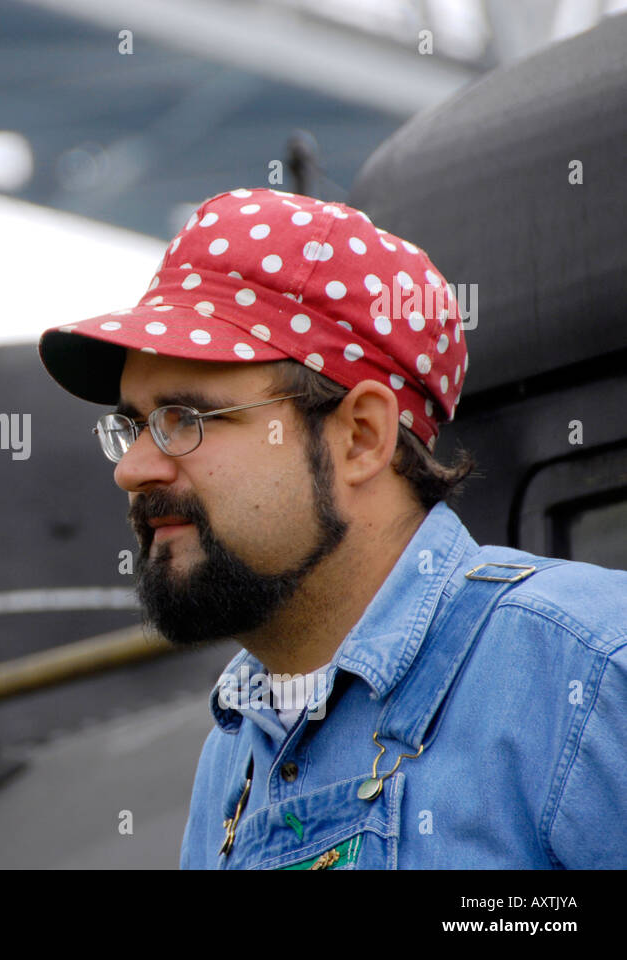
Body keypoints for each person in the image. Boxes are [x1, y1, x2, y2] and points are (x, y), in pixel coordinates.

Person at [37, 187, 627, 869]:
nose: (133, 469)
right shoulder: (232, 757)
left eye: (185, 420)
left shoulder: (588, 669)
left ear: (361, 437)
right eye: (133, 425)